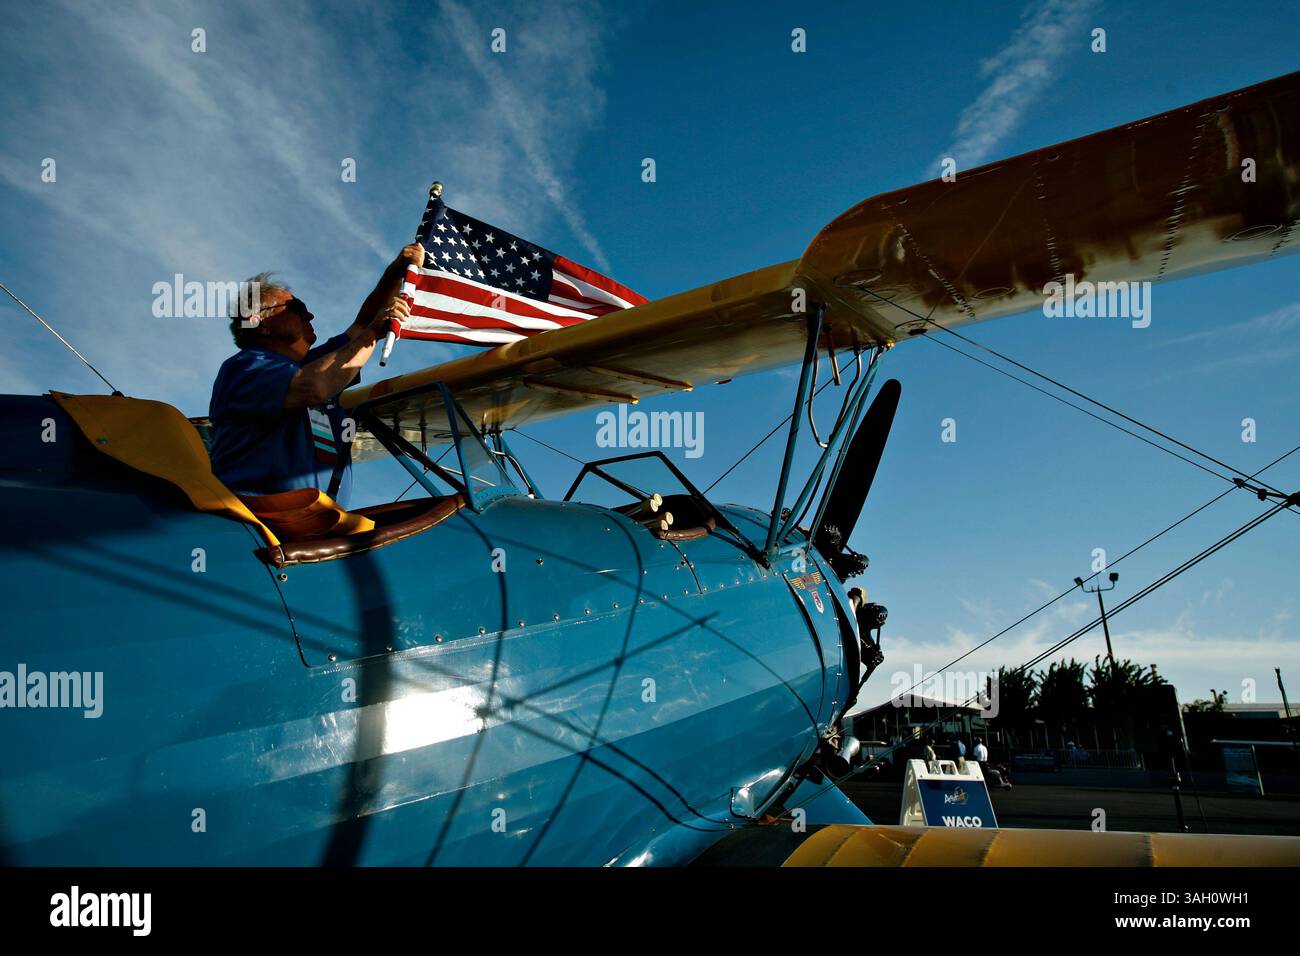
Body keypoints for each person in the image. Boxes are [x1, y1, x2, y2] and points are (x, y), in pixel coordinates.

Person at [208, 244, 423, 509]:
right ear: (259, 323)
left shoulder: (307, 366)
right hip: (251, 519)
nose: (309, 314)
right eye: (296, 307)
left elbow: (362, 326)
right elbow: (314, 387)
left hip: (312, 525)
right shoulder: (245, 367)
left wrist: (397, 270)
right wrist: (371, 336)